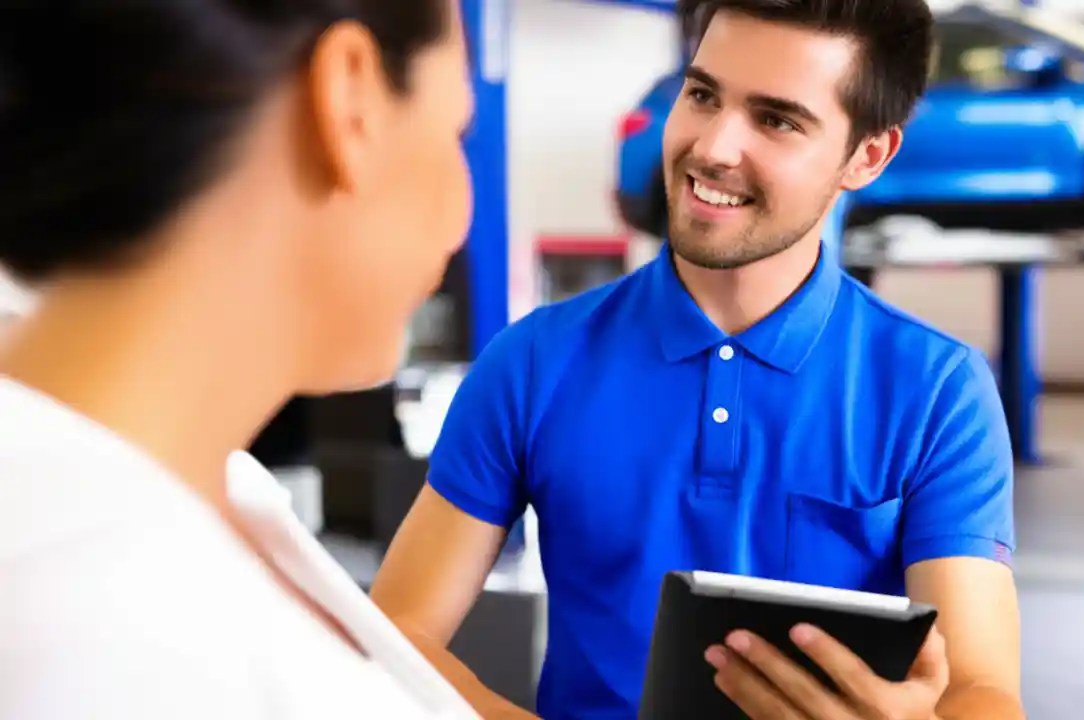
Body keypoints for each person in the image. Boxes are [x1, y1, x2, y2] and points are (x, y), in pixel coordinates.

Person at [372, 0, 1023, 718]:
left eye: (776, 120)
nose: (713, 147)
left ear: (866, 155)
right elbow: (395, 637)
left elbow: (980, 690)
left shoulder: (937, 393)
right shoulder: (532, 363)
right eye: (703, 94)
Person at [0, 2, 484, 718]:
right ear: (351, 99)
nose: (460, 214)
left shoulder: (203, 495)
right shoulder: (118, 635)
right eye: (454, 132)